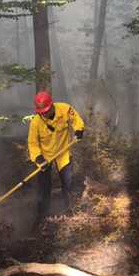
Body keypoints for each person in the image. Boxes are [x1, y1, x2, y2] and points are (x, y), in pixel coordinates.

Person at [27, 91, 85, 227]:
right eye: (41, 112)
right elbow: (32, 143)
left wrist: (79, 129)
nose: (44, 114)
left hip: (63, 151)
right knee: (43, 188)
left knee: (68, 183)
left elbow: (76, 119)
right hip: (44, 156)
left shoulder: (64, 109)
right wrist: (38, 158)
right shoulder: (36, 122)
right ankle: (42, 216)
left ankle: (69, 210)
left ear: (51, 105)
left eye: (46, 111)